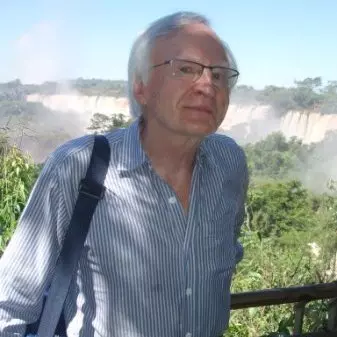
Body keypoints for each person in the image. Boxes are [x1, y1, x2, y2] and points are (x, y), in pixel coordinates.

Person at [0, 11, 248, 337]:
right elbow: (10, 304)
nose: (207, 85)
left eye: (219, 75)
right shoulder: (77, 166)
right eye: (186, 69)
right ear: (141, 87)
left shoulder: (230, 164)